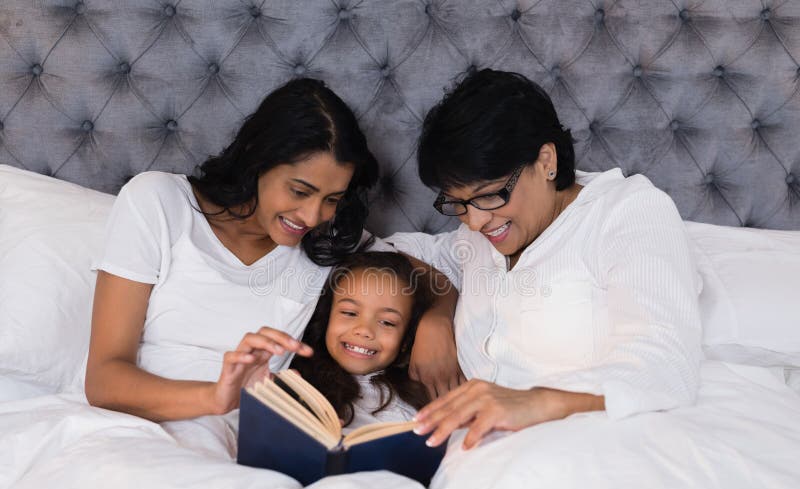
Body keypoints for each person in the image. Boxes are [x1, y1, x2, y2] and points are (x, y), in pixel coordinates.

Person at [85, 78, 460, 423]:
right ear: (257, 160)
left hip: (246, 438)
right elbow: (104, 380)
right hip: (139, 426)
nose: (312, 216)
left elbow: (432, 281)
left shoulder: (328, 241)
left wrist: (436, 321)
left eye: (332, 199)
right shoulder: (159, 202)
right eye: (299, 191)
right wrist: (216, 398)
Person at [385, 69, 703, 450]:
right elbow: (393, 253)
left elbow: (664, 363)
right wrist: (437, 314)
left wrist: (536, 402)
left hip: (591, 448)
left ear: (546, 161)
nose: (475, 221)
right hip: (474, 458)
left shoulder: (628, 212)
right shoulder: (478, 237)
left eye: (489, 195)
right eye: (459, 203)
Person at [291, 251, 432, 430]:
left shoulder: (419, 401)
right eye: (349, 313)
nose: (364, 330)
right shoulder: (295, 378)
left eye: (387, 322)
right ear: (327, 317)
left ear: (406, 340)